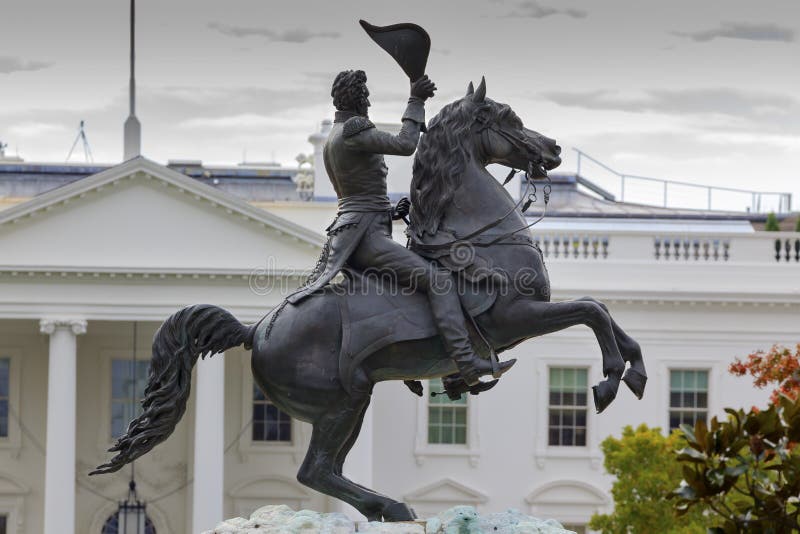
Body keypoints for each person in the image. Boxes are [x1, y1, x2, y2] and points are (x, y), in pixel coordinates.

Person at [288, 69, 512, 387]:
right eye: (366, 96)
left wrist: (391, 212)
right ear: (359, 99)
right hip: (366, 239)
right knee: (439, 281)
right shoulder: (353, 129)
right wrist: (415, 99)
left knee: (414, 283)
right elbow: (406, 144)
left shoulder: (333, 137)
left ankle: (416, 358)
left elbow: (355, 197)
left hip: (356, 232)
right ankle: (466, 362)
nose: (368, 101)